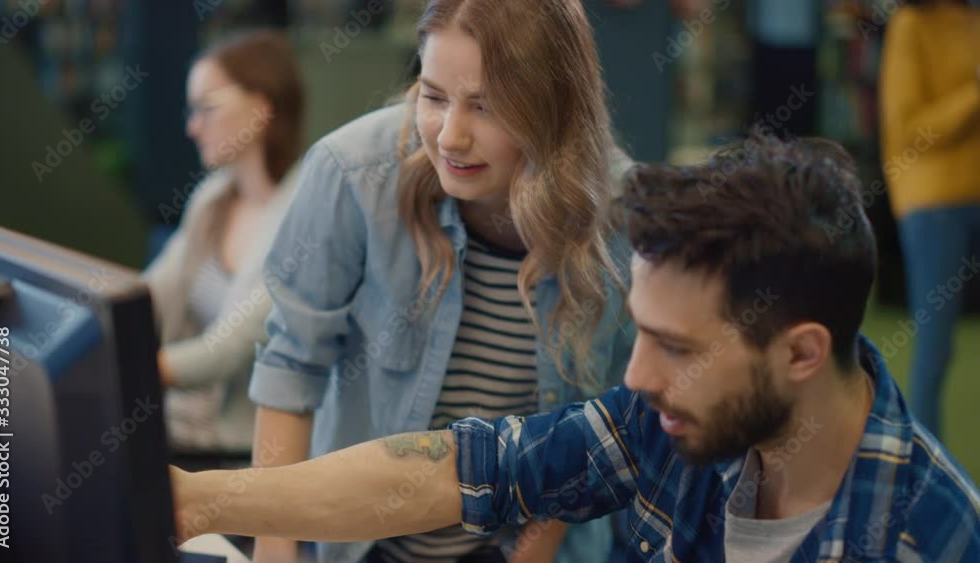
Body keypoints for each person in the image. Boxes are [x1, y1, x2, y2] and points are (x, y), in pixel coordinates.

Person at [172, 132, 980, 562]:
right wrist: (201, 502)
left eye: (674, 345)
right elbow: (460, 467)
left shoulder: (929, 538)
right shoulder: (679, 423)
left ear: (802, 352)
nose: (636, 374)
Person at [244, 1, 636, 562]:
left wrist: (536, 548)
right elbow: (291, 367)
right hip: (366, 546)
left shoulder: (619, 212)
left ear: (555, 109)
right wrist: (273, 546)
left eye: (487, 106)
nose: (450, 136)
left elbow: (606, 422)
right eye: (433, 96)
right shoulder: (352, 173)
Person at [145, 30, 304, 456]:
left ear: (262, 107)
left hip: (235, 455)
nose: (192, 127)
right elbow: (149, 293)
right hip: (176, 429)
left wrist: (126, 366)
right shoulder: (212, 198)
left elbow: (226, 352)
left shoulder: (303, 219)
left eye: (207, 108)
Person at [879, 0, 980, 438]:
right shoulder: (910, 24)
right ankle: (919, 479)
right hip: (933, 201)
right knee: (935, 349)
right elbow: (908, 129)